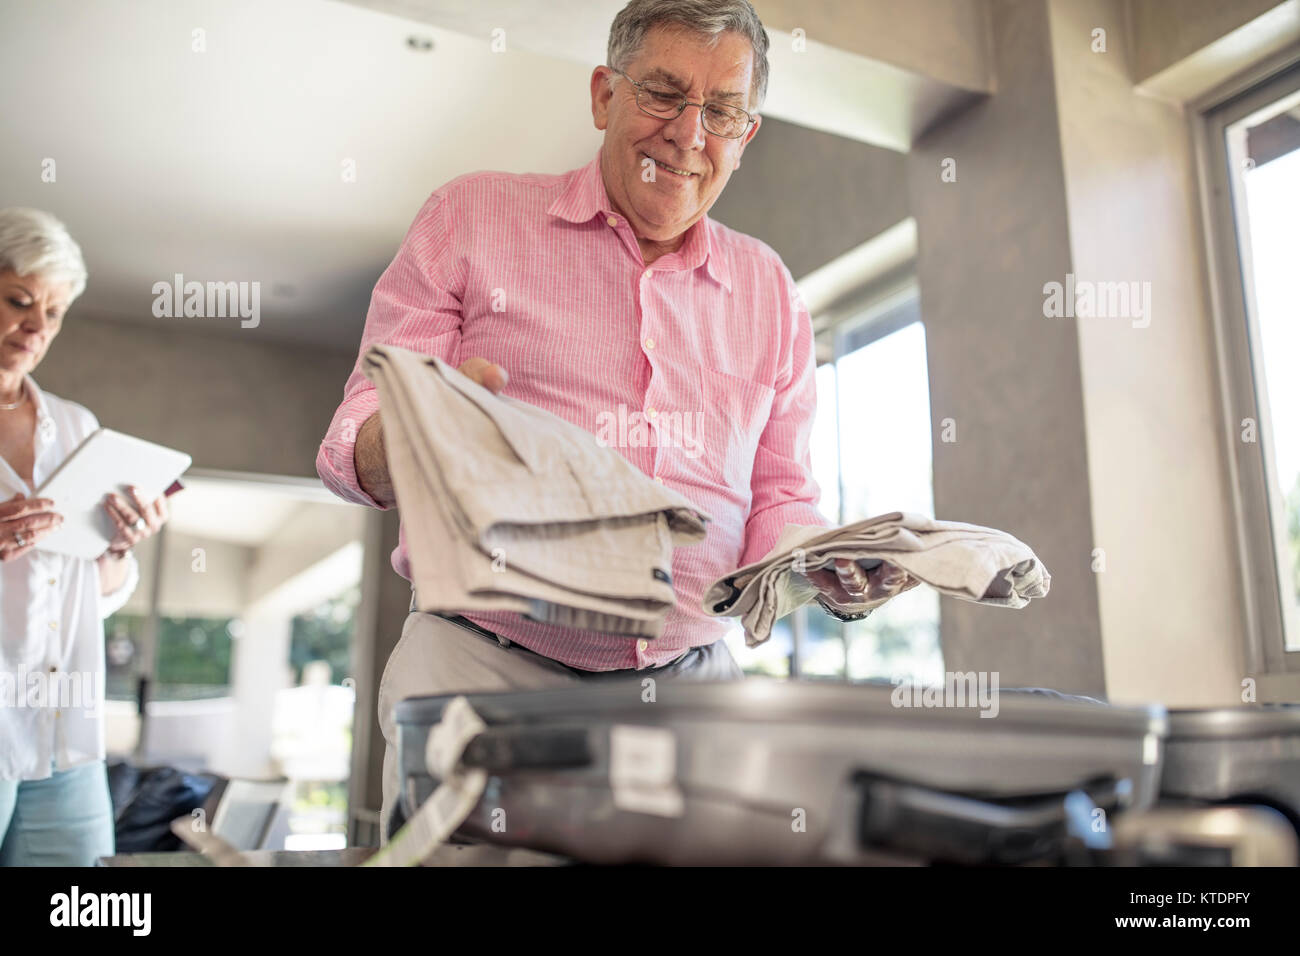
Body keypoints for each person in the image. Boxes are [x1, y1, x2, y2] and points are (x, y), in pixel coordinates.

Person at [317, 0, 918, 834]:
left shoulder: (772, 292)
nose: (689, 133)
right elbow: (351, 440)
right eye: (663, 94)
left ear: (746, 134)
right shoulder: (469, 218)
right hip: (483, 672)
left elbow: (781, 495)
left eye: (722, 110)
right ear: (604, 96)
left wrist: (822, 566)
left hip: (690, 683)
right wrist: (420, 433)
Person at [0, 208, 171, 865]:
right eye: (19, 301)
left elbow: (91, 589)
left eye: (55, 311)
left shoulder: (77, 427)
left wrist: (119, 547)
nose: (38, 326)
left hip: (64, 737)